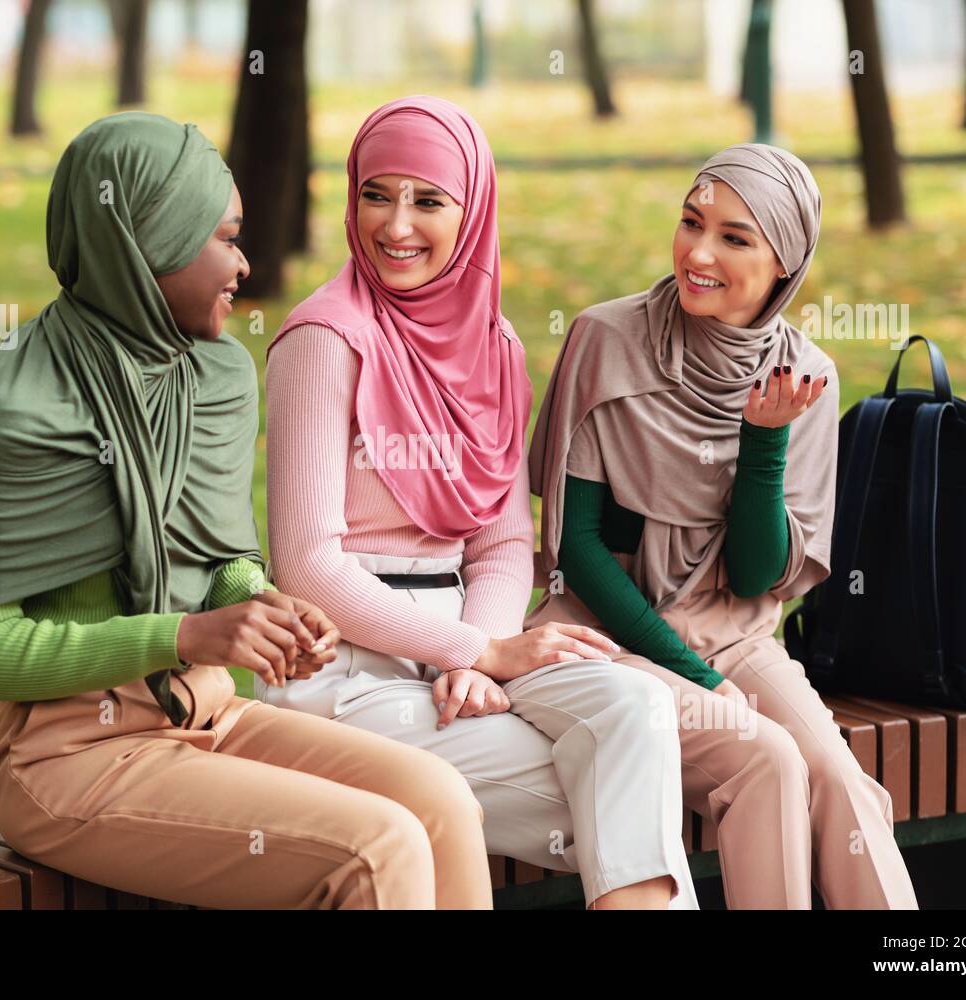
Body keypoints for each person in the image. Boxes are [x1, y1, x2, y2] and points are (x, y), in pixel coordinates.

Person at [0, 111, 493, 910]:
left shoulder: (214, 377)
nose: (244, 263)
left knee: (439, 798)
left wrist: (256, 604)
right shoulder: (15, 414)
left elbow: (216, 555)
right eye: (223, 238)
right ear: (146, 242)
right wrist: (183, 635)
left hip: (210, 719)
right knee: (377, 846)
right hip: (71, 759)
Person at [263, 95, 697, 910]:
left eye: (428, 200)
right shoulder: (321, 341)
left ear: (472, 210)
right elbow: (307, 566)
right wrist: (477, 654)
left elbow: (501, 548)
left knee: (636, 706)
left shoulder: (494, 349)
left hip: (472, 644)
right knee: (624, 794)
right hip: (343, 672)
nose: (395, 225)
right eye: (375, 195)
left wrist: (478, 651)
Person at [528, 143, 918, 909]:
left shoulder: (806, 375)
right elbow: (577, 549)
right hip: (604, 634)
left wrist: (764, 442)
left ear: (785, 264)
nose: (699, 252)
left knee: (840, 779)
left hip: (736, 632)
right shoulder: (606, 341)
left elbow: (753, 577)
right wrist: (700, 680)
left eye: (736, 238)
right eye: (691, 222)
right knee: (767, 760)